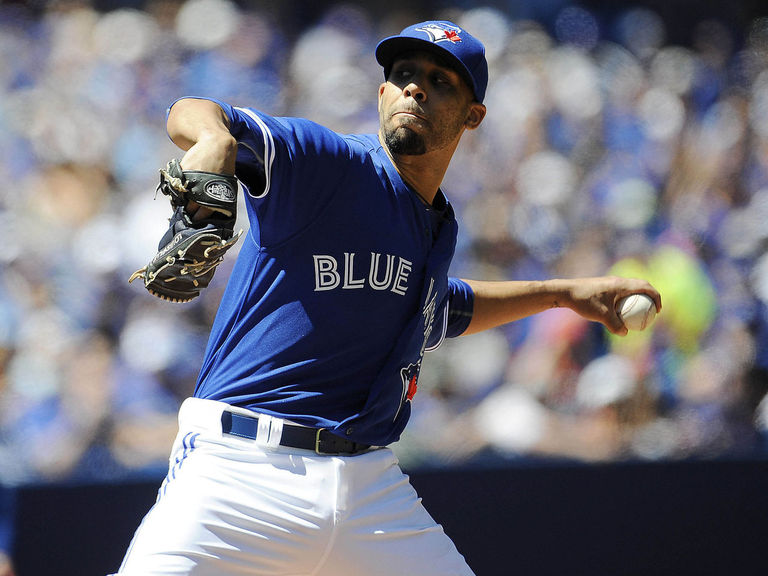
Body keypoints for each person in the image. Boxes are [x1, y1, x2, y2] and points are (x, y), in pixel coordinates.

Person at [113, 20, 661, 576]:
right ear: (382, 94)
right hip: (242, 472)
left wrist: (566, 294)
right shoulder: (328, 165)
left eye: (441, 81)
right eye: (403, 76)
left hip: (370, 491)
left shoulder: (436, 225)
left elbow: (439, 309)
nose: (415, 88)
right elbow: (191, 108)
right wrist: (215, 140)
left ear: (473, 115)